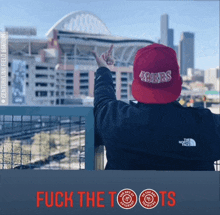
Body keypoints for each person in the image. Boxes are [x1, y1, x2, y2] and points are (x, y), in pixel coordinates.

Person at [92, 43, 220, 170]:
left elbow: (102, 99)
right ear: (178, 83)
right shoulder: (207, 124)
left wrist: (104, 70)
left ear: (136, 84)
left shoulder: (115, 119)